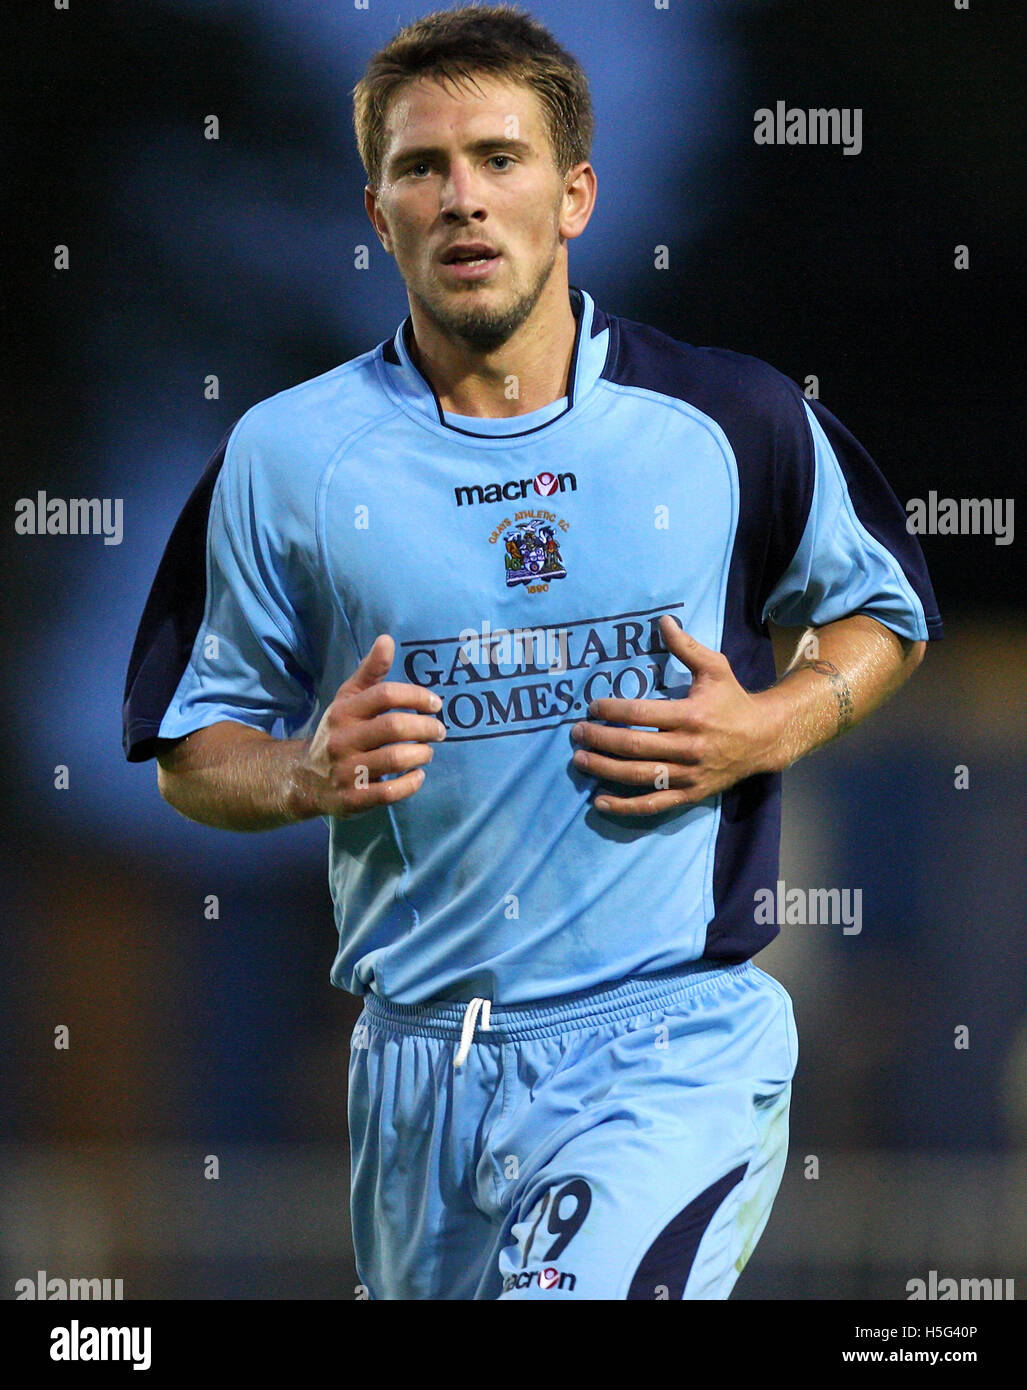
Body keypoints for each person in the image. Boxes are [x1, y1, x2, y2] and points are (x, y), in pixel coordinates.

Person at [122, 4, 942, 1300]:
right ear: (376, 207)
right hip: (413, 1073)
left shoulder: (731, 418)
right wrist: (298, 771)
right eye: (421, 167)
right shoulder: (287, 458)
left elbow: (885, 609)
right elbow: (187, 749)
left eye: (499, 159)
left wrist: (773, 721)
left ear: (575, 194)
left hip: (666, 1043)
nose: (462, 199)